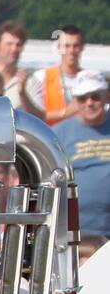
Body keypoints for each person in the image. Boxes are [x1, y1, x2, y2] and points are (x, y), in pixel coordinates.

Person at [54, 71, 110, 255]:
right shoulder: (58, 134)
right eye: (82, 98)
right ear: (75, 101)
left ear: (106, 95)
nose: (89, 103)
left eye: (95, 96)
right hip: (74, 234)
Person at [27, 26, 86, 126]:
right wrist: (65, 113)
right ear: (59, 47)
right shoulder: (41, 77)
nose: (71, 51)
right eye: (67, 46)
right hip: (51, 133)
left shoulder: (90, 79)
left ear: (82, 47)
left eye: (75, 46)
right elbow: (33, 115)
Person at [0, 20, 40, 116]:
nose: (14, 49)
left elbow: (39, 118)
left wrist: (23, 94)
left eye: (18, 45)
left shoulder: (30, 82)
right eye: (9, 44)